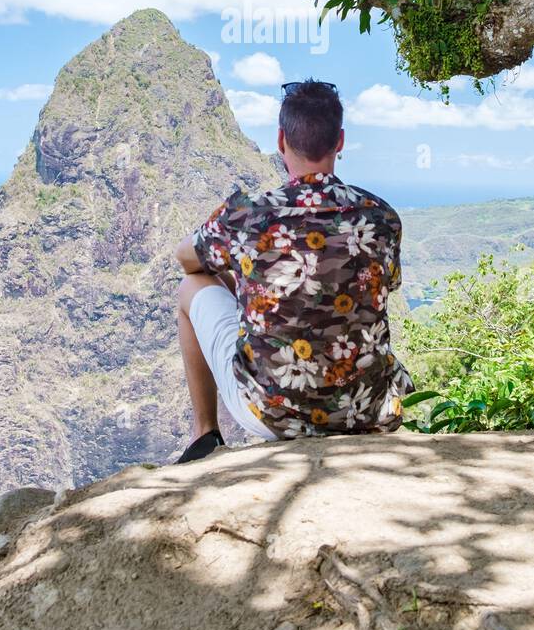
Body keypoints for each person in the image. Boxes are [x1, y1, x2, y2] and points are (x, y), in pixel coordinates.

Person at [174, 77, 413, 462]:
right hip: (366, 409)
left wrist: (237, 273)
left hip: (272, 415)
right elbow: (386, 288)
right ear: (340, 141)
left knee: (192, 285)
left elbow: (186, 260)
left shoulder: (247, 215)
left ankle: (206, 434)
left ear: (281, 140)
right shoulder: (382, 216)